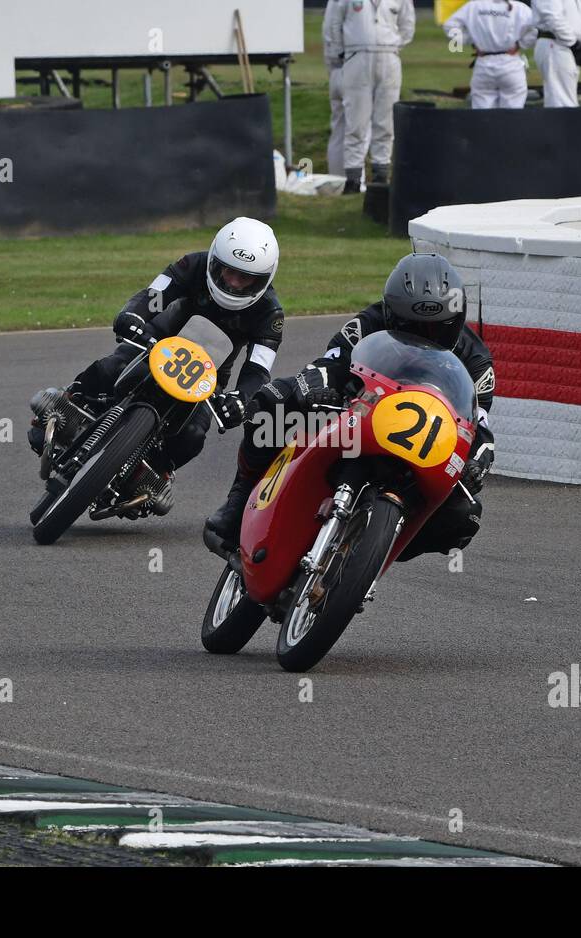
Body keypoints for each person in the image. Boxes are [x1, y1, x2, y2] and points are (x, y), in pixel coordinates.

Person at [204, 252, 496, 561]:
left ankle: (377, 549)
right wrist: (315, 386)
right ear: (391, 313)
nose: (424, 339)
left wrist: (477, 462)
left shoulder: (476, 361)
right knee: (272, 404)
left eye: (438, 329)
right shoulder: (369, 322)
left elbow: (478, 423)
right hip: (360, 416)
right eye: (411, 327)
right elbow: (331, 361)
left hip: (424, 446)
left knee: (463, 515)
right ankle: (239, 500)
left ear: (457, 319)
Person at [30, 217, 283, 484]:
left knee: (193, 435)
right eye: (228, 271)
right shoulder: (193, 264)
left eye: (244, 278)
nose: (233, 283)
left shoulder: (270, 313)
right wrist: (132, 315)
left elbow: (258, 369)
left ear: (262, 280)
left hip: (209, 375)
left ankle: (153, 477)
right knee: (111, 367)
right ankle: (65, 407)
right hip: (159, 339)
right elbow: (156, 294)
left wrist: (242, 399)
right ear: (214, 262)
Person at [325, 0, 417, 193]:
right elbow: (333, 24)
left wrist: (392, 44)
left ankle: (381, 176)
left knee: (385, 122)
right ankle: (353, 180)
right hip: (356, 55)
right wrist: (342, 52)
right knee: (356, 122)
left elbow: (407, 24)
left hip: (389, 56)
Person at [443, 0, 539, 110]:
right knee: (513, 112)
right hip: (511, 64)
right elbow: (537, 29)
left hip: (484, 63)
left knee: (482, 112)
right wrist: (520, 44)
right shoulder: (520, 8)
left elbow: (450, 25)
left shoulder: (474, 6)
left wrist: (471, 40)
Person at [532, 0, 581, 108]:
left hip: (568, 45)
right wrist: (574, 44)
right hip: (554, 44)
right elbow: (552, 18)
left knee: (566, 99)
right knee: (560, 101)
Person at [323, 0, 348, 176]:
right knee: (358, 133)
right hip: (352, 65)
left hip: (335, 68)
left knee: (339, 130)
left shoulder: (332, 4)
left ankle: (338, 180)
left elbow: (328, 32)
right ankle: (355, 183)